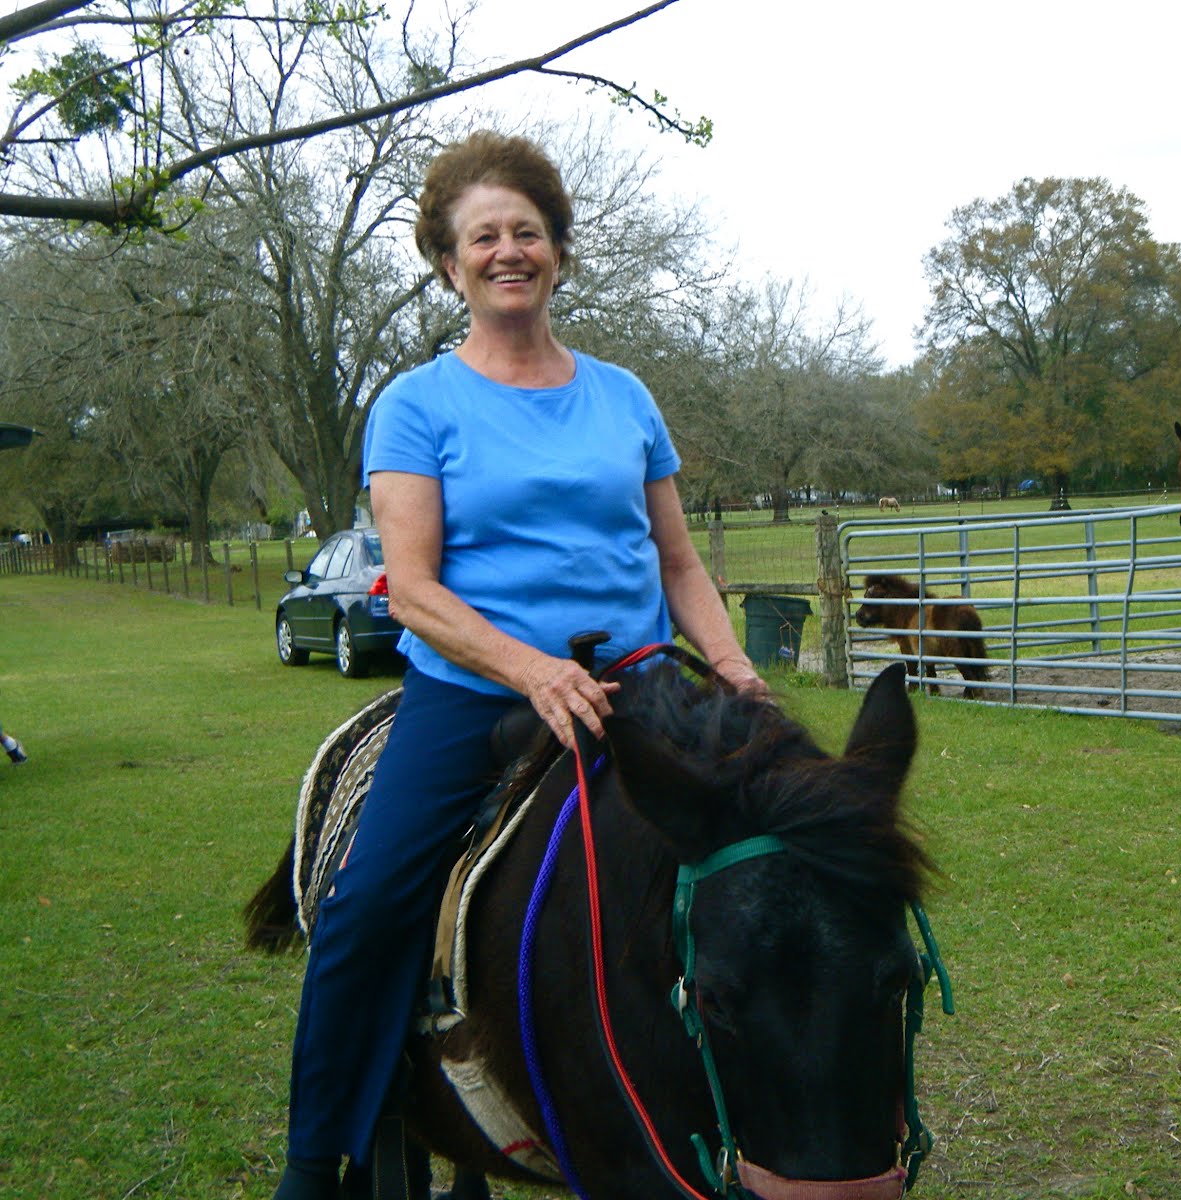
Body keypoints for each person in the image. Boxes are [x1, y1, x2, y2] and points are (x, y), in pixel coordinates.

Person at [272, 130, 767, 1200]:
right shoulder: (417, 404)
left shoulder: (625, 397)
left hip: (641, 680)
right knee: (368, 905)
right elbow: (411, 588)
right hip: (476, 689)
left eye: (527, 232)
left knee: (780, 855)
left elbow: (678, 561)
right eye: (483, 235)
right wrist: (534, 671)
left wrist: (732, 668)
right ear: (449, 264)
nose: (509, 251)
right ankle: (316, 1162)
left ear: (558, 252)